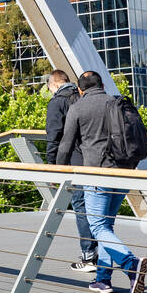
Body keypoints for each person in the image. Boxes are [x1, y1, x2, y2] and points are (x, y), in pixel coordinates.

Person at [56, 71, 147, 293]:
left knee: (98, 226)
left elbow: (66, 145)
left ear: (80, 89)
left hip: (97, 174)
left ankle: (130, 264)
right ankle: (102, 280)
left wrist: (57, 170)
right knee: (106, 227)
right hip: (124, 172)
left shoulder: (78, 108)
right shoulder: (116, 102)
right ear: (102, 84)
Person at [45, 69, 97, 273]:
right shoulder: (82, 98)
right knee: (94, 206)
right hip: (95, 160)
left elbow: (53, 137)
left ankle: (89, 256)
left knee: (81, 205)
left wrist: (52, 167)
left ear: (55, 85)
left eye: (49, 87)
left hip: (74, 162)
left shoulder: (56, 103)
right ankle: (95, 254)